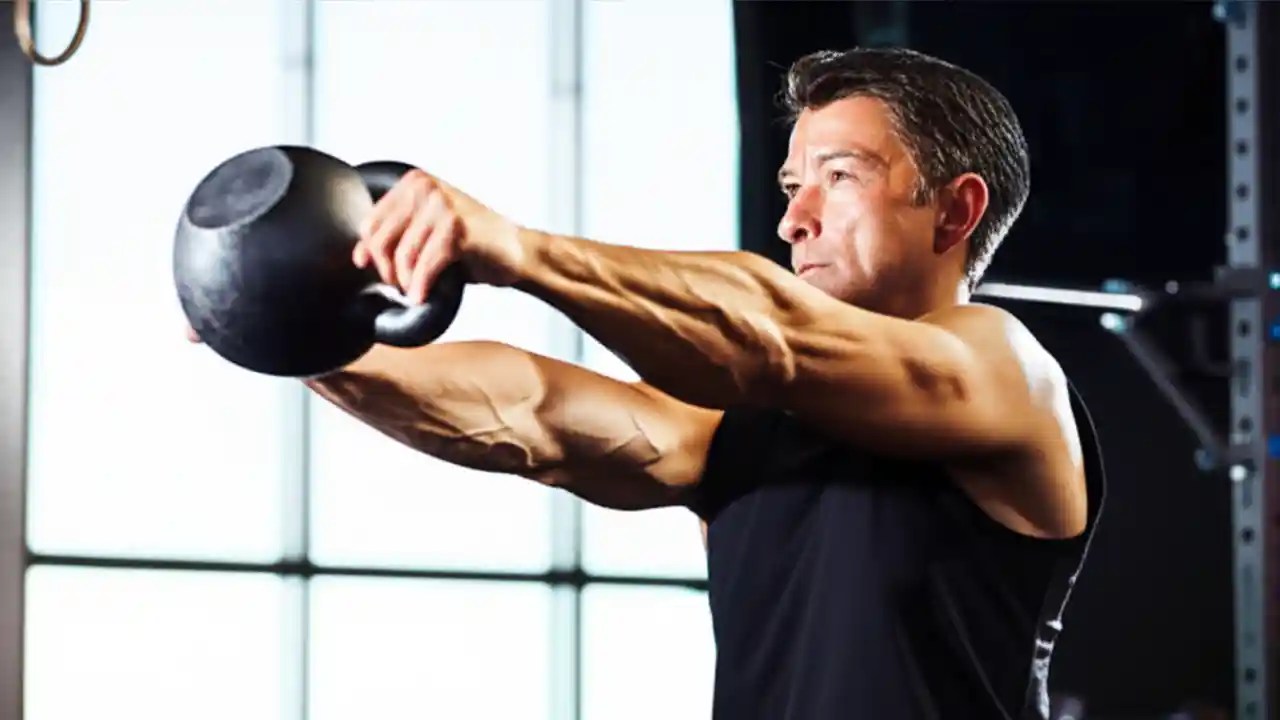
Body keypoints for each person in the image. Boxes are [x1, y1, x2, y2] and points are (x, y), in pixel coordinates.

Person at [191, 47, 1103, 719]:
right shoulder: (738, 432)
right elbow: (536, 417)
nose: (795, 219)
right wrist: (307, 340)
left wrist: (515, 251)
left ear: (957, 207)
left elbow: (770, 336)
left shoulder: (1002, 371)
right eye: (791, 184)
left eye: (839, 176)